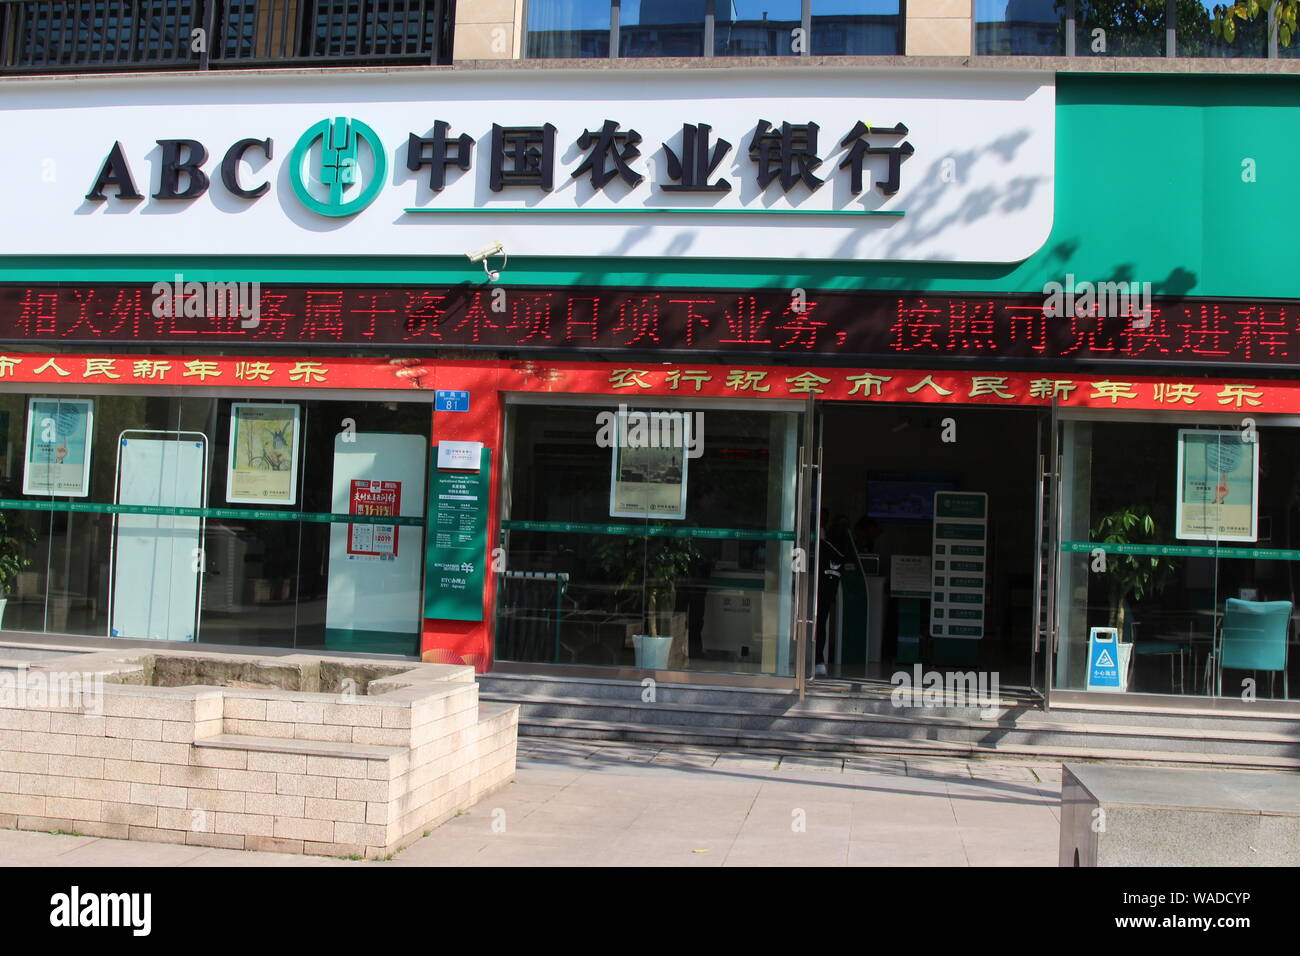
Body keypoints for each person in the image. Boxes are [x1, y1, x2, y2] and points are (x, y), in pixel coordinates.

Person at [814, 511, 851, 677]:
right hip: (811, 581)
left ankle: (817, 659)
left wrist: (822, 541)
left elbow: (841, 557)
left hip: (826, 584)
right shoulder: (817, 537)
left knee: (820, 620)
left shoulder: (834, 541)